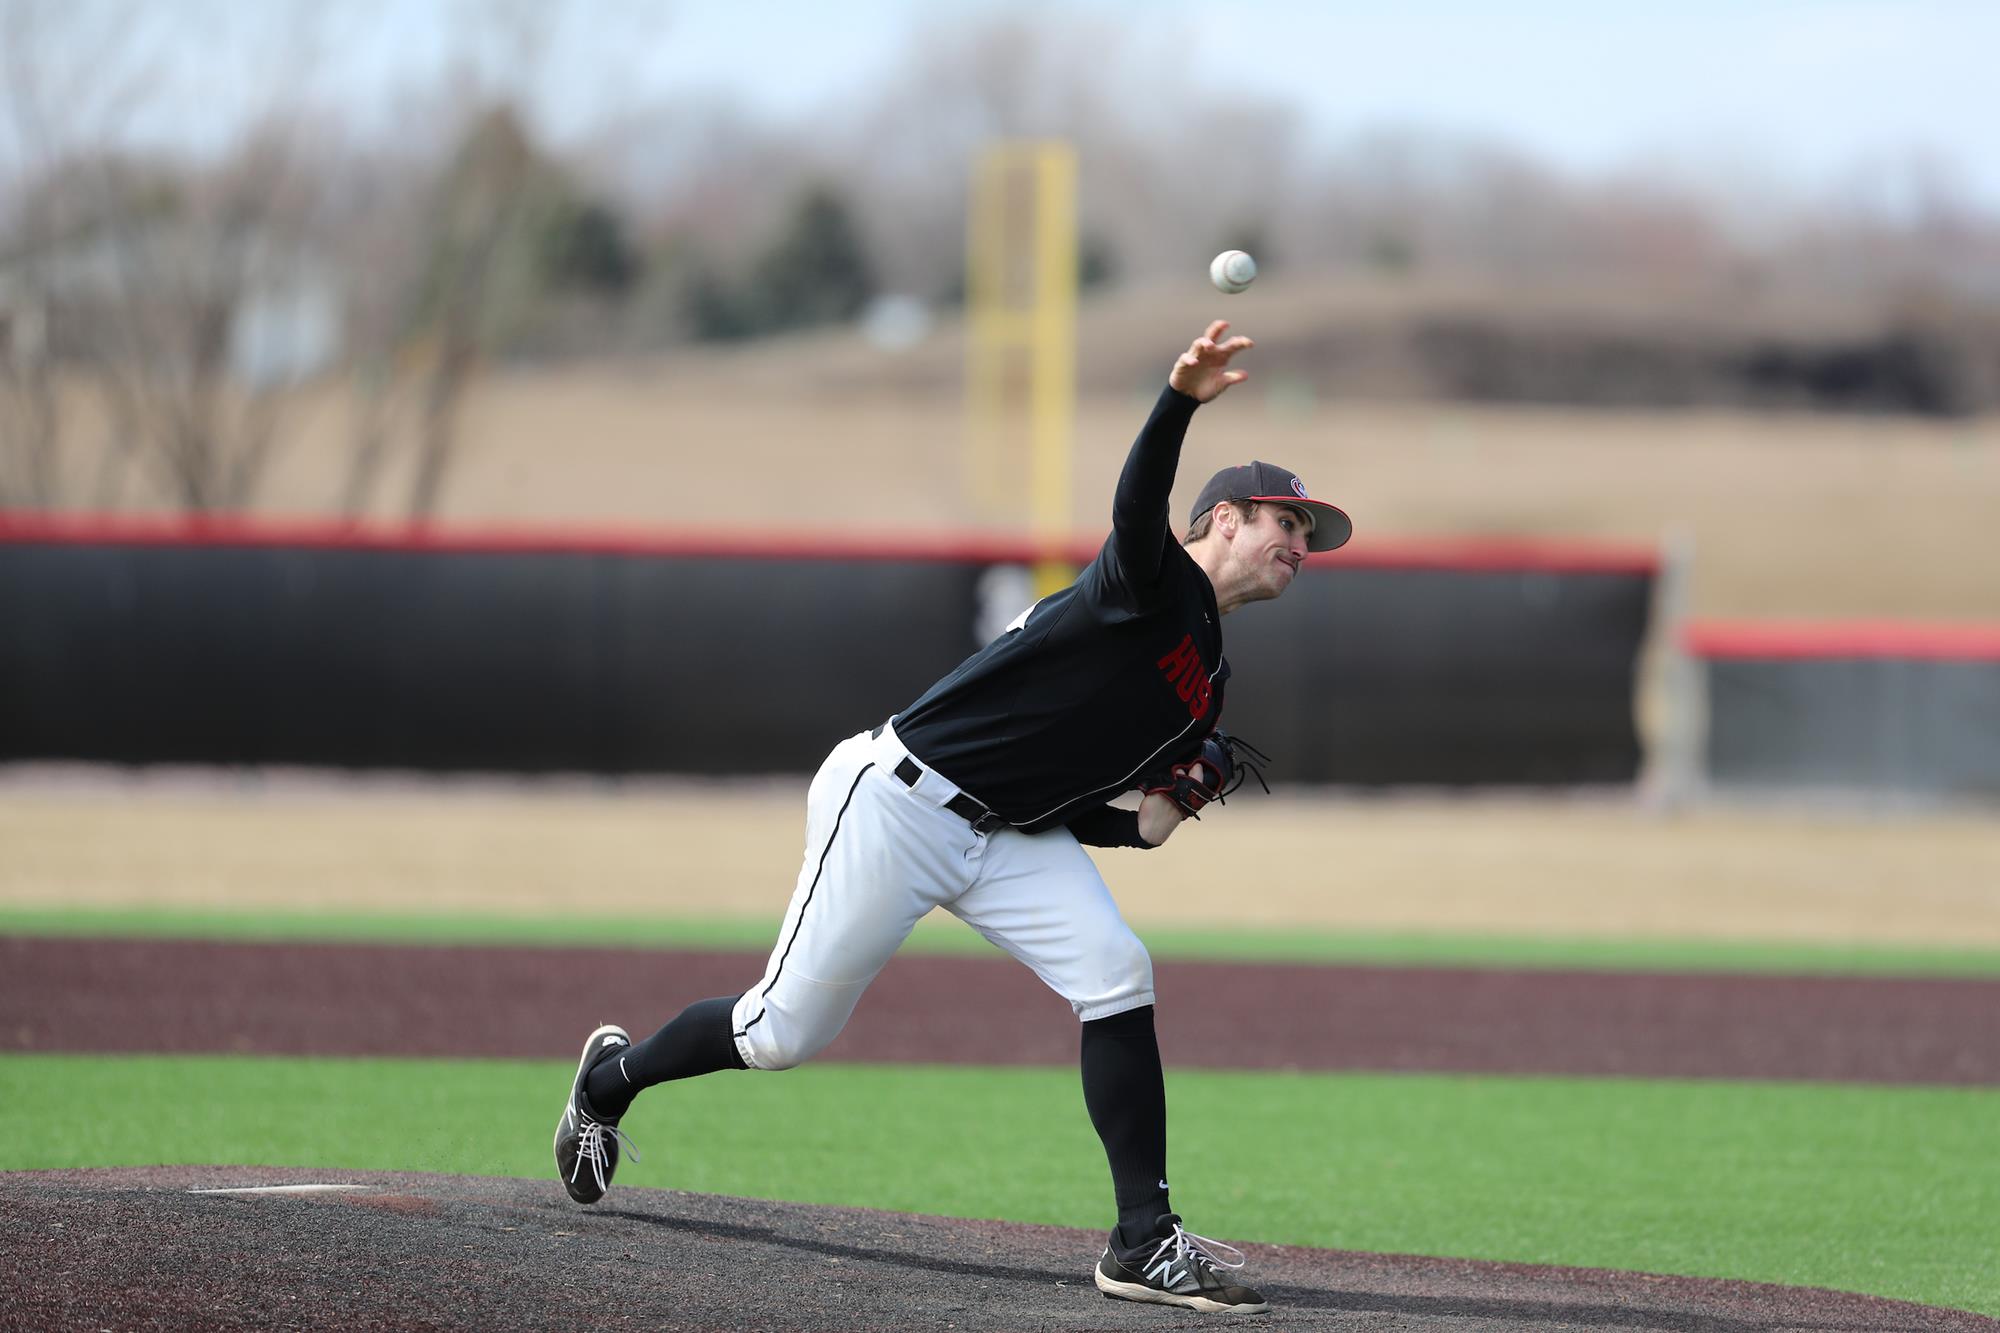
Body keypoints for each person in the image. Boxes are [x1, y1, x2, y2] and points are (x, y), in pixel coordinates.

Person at [553, 319, 1352, 1316]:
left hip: (1006, 834)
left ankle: (1141, 1242)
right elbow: (1136, 500)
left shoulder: (1207, 685)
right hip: (897, 801)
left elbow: (1097, 815)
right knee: (777, 1031)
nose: (1301, 544)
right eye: (1286, 521)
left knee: (1115, 970)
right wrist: (1178, 400)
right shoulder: (1151, 582)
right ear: (1222, 519)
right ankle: (608, 1082)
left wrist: (1163, 812)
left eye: (1309, 537)